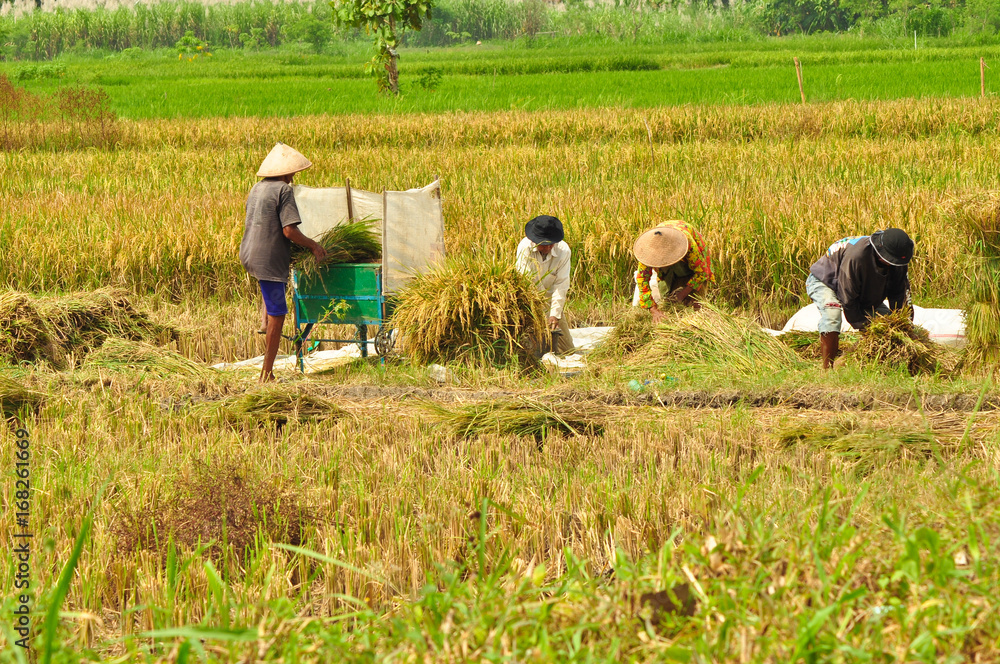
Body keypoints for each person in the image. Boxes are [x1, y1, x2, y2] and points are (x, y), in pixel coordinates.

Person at [239, 143, 327, 383]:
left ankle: (264, 319)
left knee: (270, 299)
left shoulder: (257, 188)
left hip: (248, 252)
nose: (294, 176)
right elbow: (289, 231)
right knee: (279, 314)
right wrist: (313, 246)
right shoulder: (283, 191)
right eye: (293, 172)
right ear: (286, 172)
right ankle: (266, 374)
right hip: (268, 258)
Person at [807, 228, 914, 370]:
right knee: (832, 315)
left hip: (861, 287)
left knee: (889, 327)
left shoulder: (899, 259)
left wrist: (904, 325)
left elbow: (900, 296)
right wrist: (866, 328)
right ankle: (827, 369)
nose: (891, 264)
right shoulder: (857, 256)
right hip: (828, 280)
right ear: (880, 252)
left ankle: (860, 362)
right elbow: (848, 299)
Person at [632, 220, 713, 322]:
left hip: (691, 264)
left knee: (695, 302)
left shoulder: (686, 243)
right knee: (665, 295)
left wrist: (682, 295)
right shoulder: (647, 251)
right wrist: (653, 309)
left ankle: (698, 322)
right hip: (667, 263)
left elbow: (701, 272)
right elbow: (642, 281)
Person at [515, 214, 574, 354]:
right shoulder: (525, 248)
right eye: (543, 245)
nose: (547, 248)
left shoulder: (563, 251)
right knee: (531, 349)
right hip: (529, 301)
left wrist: (554, 315)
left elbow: (561, 284)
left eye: (550, 244)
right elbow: (527, 281)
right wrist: (540, 315)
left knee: (568, 351)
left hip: (550, 300)